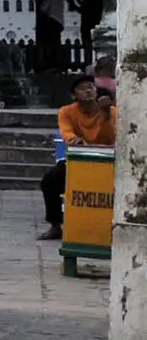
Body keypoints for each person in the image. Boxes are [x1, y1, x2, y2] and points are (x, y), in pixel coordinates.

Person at [39, 77, 116, 241]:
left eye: (91, 87)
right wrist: (74, 139)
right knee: (50, 180)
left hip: (107, 159)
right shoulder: (67, 111)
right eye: (83, 88)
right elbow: (66, 132)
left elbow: (109, 137)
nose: (88, 90)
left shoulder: (111, 111)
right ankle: (55, 225)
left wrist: (106, 114)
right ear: (74, 95)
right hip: (78, 158)